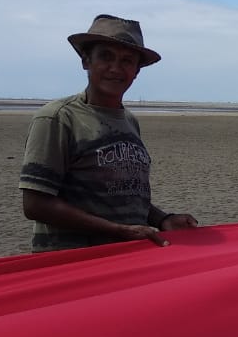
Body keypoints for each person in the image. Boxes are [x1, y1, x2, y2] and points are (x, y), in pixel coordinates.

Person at [19, 14, 198, 252]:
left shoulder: (129, 121)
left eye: (127, 60)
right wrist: (119, 231)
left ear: (136, 71)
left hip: (125, 257)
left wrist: (163, 220)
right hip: (72, 261)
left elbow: (127, 197)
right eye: (106, 56)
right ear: (86, 61)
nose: (116, 68)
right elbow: (36, 204)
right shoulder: (58, 118)